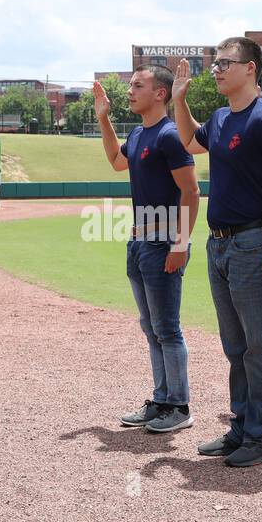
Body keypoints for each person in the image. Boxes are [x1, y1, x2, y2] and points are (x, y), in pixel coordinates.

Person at [172, 37, 262, 468]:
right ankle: (244, 427)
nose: (216, 69)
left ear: (251, 69)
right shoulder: (222, 117)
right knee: (235, 345)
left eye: (226, 63)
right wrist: (179, 100)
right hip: (221, 243)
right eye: (215, 63)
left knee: (260, 346)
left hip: (254, 241)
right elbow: (191, 142)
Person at [97, 64, 200, 433]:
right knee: (150, 326)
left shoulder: (170, 136)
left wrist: (181, 243)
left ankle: (180, 406)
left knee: (167, 329)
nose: (129, 91)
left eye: (138, 85)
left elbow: (191, 192)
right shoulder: (140, 134)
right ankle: (161, 400)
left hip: (163, 241)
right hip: (139, 240)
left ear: (160, 93)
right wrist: (104, 119)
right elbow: (115, 161)